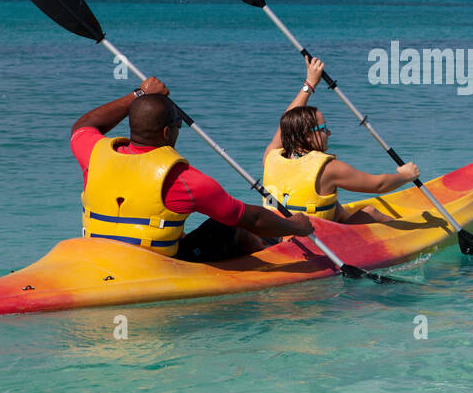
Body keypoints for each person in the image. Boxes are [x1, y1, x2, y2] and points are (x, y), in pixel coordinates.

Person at [71, 76, 312, 263]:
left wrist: (140, 93)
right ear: (167, 132)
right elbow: (251, 218)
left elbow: (85, 125)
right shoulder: (183, 179)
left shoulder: (93, 153)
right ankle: (270, 259)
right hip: (155, 267)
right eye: (178, 126)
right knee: (230, 227)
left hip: (99, 259)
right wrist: (296, 226)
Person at [261, 58, 420, 224]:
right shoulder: (328, 169)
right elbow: (378, 185)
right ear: (307, 135)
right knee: (371, 212)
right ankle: (417, 233)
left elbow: (286, 122)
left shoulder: (270, 157)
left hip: (276, 233)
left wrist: (309, 84)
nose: (329, 133)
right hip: (315, 239)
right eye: (323, 129)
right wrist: (407, 175)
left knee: (335, 207)